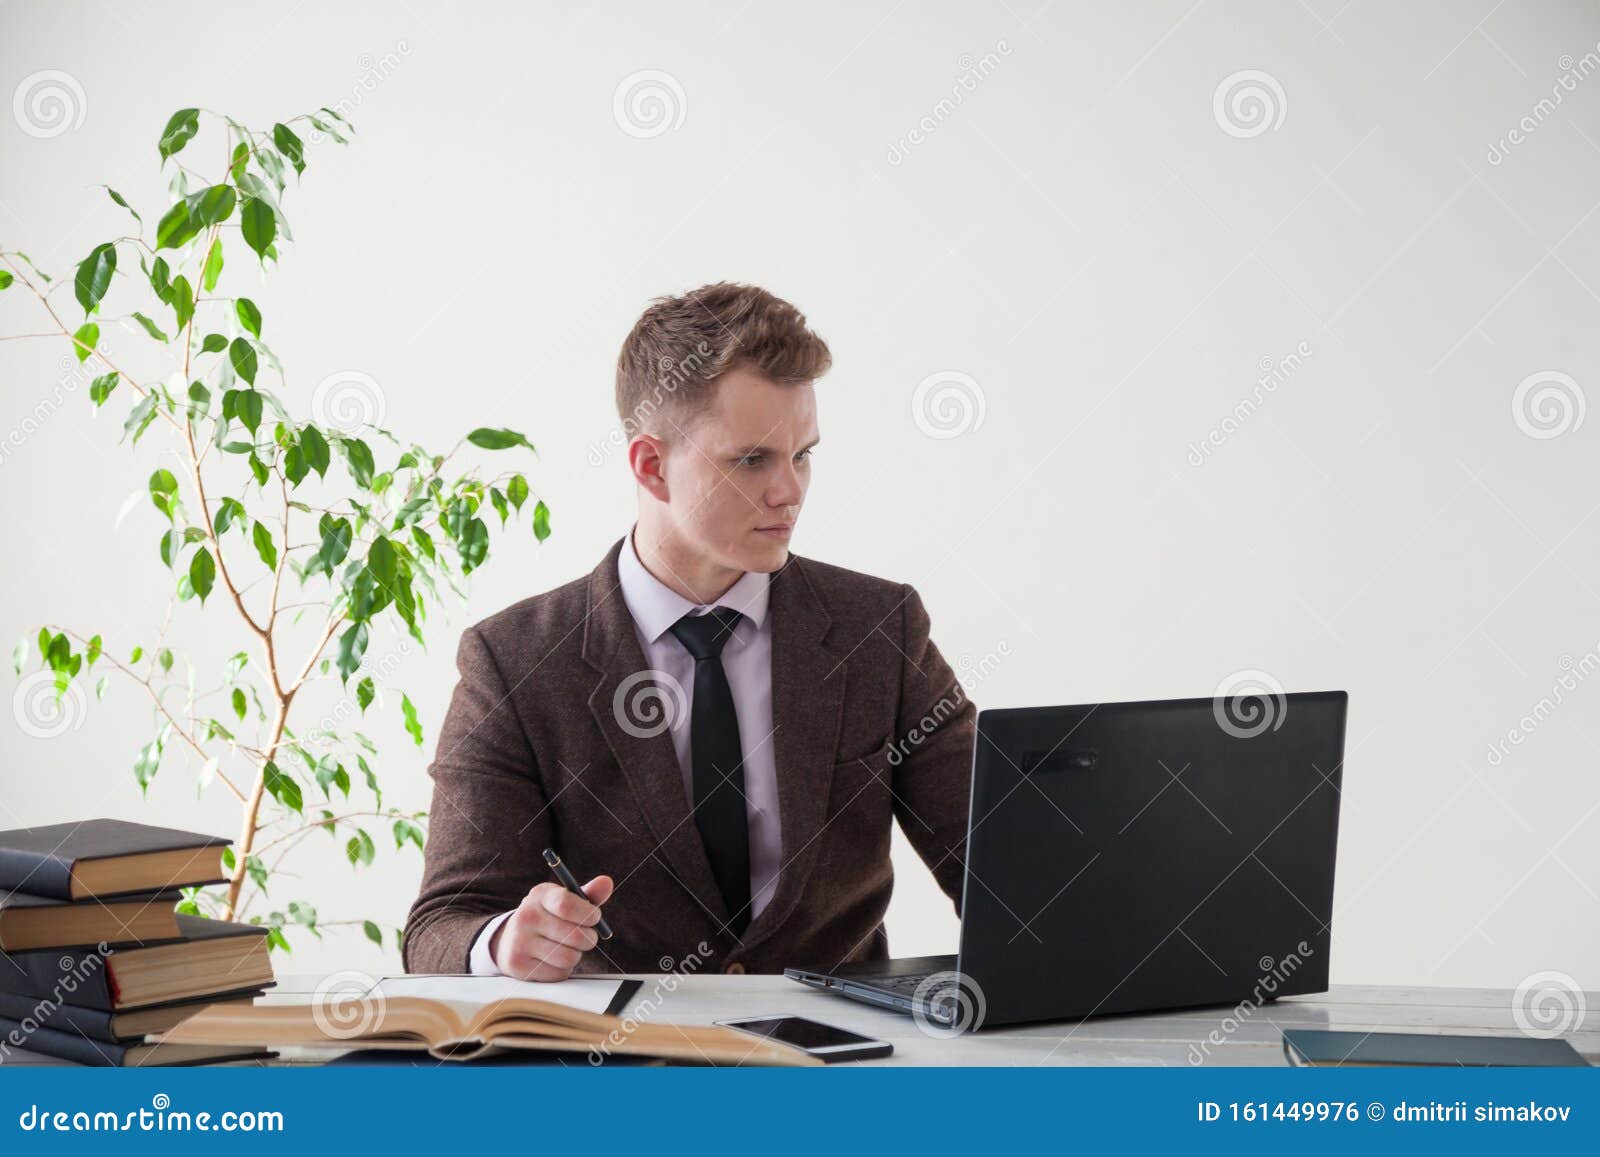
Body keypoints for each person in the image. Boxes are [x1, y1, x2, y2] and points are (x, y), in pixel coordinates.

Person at [402, 282, 974, 979]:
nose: (789, 490)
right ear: (650, 465)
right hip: (622, 1069)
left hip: (840, 1063)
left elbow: (997, 863)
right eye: (752, 459)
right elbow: (442, 923)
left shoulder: (880, 628)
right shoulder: (515, 660)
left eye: (803, 455)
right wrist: (503, 941)